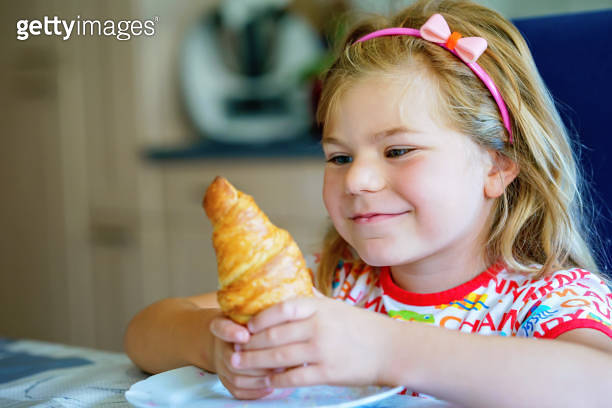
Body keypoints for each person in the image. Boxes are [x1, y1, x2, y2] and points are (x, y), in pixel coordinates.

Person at [124, 0, 612, 406]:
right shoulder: (334, 284)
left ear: (498, 166)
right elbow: (145, 331)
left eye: (398, 150)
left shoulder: (547, 300)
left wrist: (382, 348)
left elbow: (598, 384)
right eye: (338, 156)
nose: (356, 178)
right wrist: (215, 346)